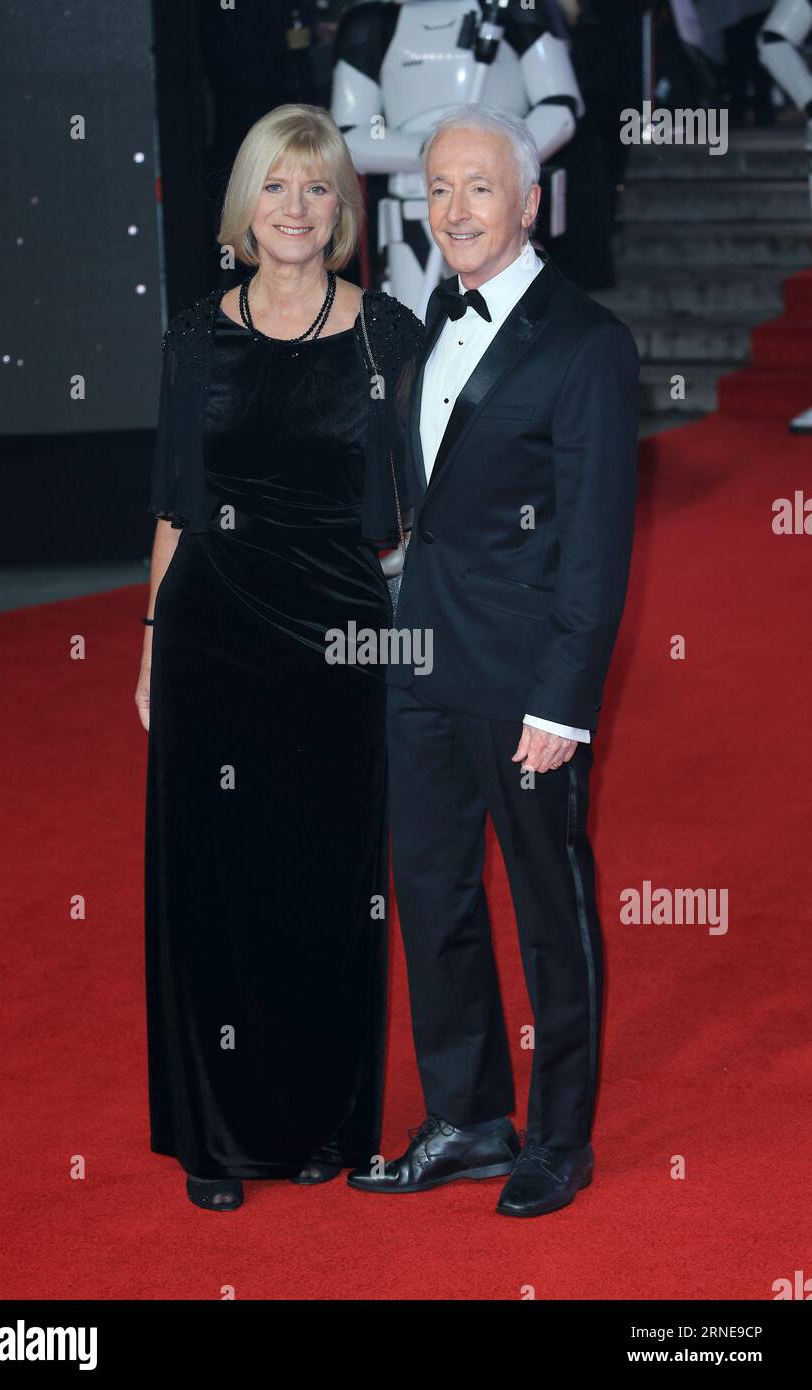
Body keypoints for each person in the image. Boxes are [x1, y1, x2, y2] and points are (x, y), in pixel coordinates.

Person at [346, 105, 639, 1217]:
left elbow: (596, 545)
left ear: (528, 202)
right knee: (428, 891)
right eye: (438, 190)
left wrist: (564, 700)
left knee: (545, 905)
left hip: (525, 688)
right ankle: (467, 1112)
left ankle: (558, 1135)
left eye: (479, 187)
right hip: (419, 663)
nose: (455, 209)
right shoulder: (425, 323)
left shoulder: (585, 343)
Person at [137, 103, 423, 1211]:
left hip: (339, 640)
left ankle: (320, 1121)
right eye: (274, 187)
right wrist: (153, 640)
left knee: (329, 881)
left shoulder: (384, 334)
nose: (294, 209)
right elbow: (171, 504)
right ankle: (217, 1133)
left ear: (341, 209)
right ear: (242, 208)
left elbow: (408, 511)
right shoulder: (194, 334)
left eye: (315, 190)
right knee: (214, 881)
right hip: (214, 629)